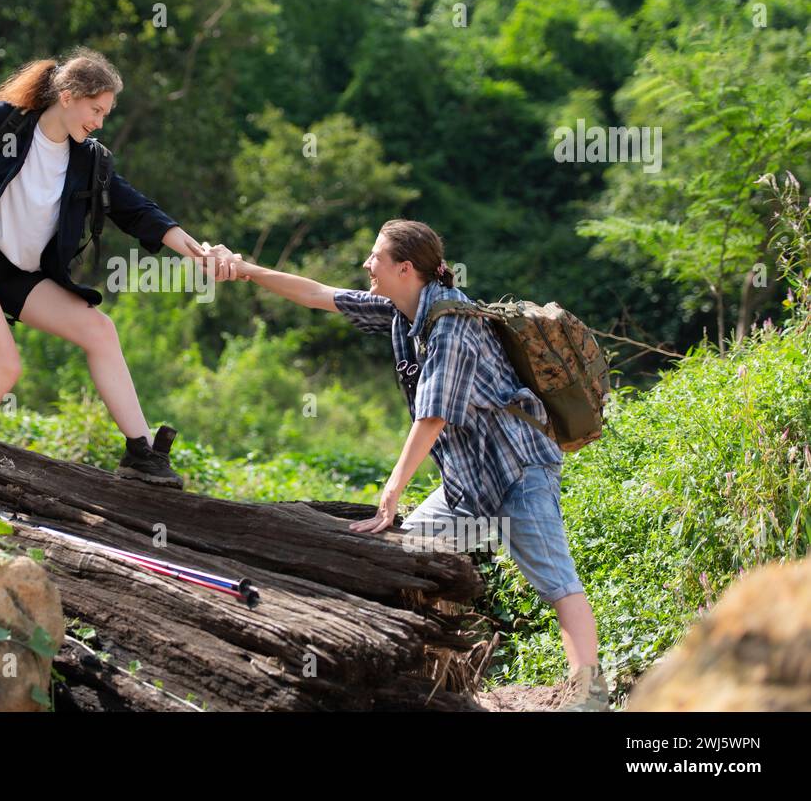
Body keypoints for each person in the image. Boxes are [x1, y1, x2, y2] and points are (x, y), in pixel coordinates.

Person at [225, 219, 609, 711]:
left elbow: (432, 417)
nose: (366, 265)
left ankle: (589, 696)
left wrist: (390, 496)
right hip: (467, 484)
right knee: (408, 559)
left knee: (557, 583)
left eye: (375, 258)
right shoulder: (398, 310)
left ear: (405, 268)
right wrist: (246, 270)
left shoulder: (454, 325)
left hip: (518, 470)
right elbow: (319, 294)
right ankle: (430, 681)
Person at [0, 47, 238, 495]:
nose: (99, 121)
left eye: (106, 113)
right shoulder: (6, 123)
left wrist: (198, 252)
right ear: (69, 96)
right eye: (96, 109)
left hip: (21, 271)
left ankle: (140, 454)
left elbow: (139, 212)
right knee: (3, 367)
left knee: (100, 330)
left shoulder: (89, 160)